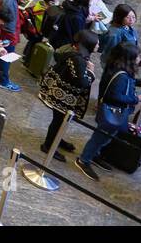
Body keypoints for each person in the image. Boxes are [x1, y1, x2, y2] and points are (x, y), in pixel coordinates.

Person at [75, 43, 141, 182]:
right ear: (129, 58)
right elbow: (115, 96)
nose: (139, 59)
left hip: (115, 112)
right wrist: (135, 99)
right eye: (137, 56)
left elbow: (126, 82)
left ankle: (94, 155)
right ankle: (84, 160)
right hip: (113, 112)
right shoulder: (122, 76)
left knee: (106, 137)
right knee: (99, 138)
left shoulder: (117, 68)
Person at [37, 28, 98, 161]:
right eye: (96, 43)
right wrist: (91, 73)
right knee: (58, 121)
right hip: (63, 96)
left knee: (59, 120)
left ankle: (57, 139)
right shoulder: (78, 60)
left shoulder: (72, 52)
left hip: (60, 91)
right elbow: (81, 81)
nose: (98, 46)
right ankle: (48, 145)